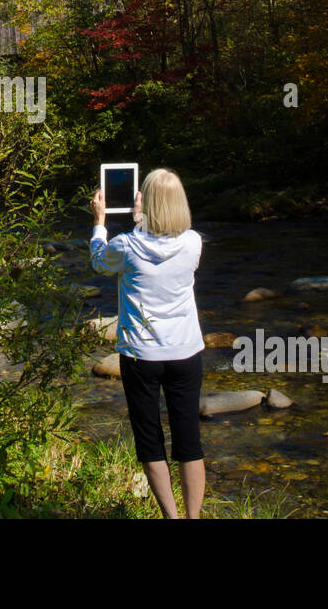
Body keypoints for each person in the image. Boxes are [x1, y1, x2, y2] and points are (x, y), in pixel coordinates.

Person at [90, 168, 205, 519]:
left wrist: (99, 222)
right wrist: (144, 221)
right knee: (189, 439)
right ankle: (193, 518)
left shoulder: (126, 245)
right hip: (186, 352)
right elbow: (164, 246)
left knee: (149, 438)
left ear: (147, 204)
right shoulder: (193, 243)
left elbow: (98, 262)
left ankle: (171, 516)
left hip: (141, 356)